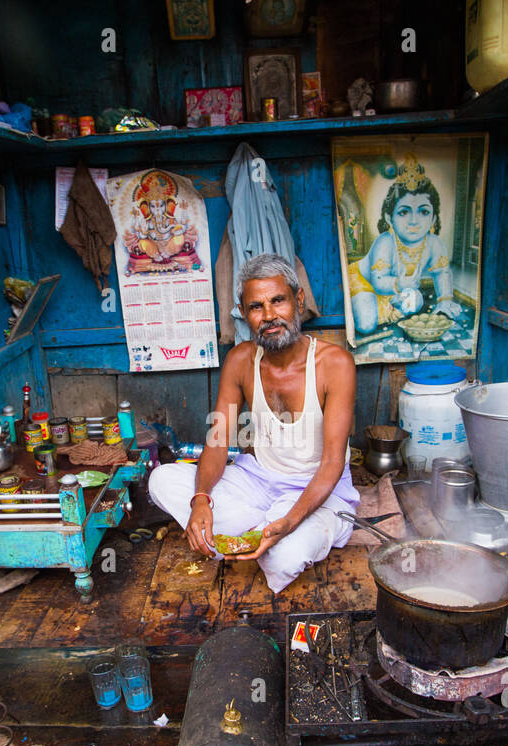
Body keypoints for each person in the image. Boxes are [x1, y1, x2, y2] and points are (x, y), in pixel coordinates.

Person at [148, 253, 360, 593]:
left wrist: (290, 521)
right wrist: (200, 500)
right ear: (244, 314)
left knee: (285, 559)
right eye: (256, 307)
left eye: (278, 301)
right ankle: (258, 532)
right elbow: (217, 441)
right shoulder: (241, 360)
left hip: (316, 488)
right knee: (161, 479)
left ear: (298, 300)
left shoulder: (334, 364)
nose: (270, 315)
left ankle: (262, 535)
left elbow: (333, 462)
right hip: (257, 480)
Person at [349, 153, 462, 336]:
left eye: (424, 212)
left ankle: (390, 307)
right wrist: (402, 284)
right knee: (366, 323)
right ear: (389, 218)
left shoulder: (434, 243)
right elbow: (378, 282)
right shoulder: (385, 242)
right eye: (403, 212)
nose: (414, 221)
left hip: (398, 290)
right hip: (366, 282)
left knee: (416, 300)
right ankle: (378, 307)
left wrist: (445, 300)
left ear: (433, 218)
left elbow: (442, 272)